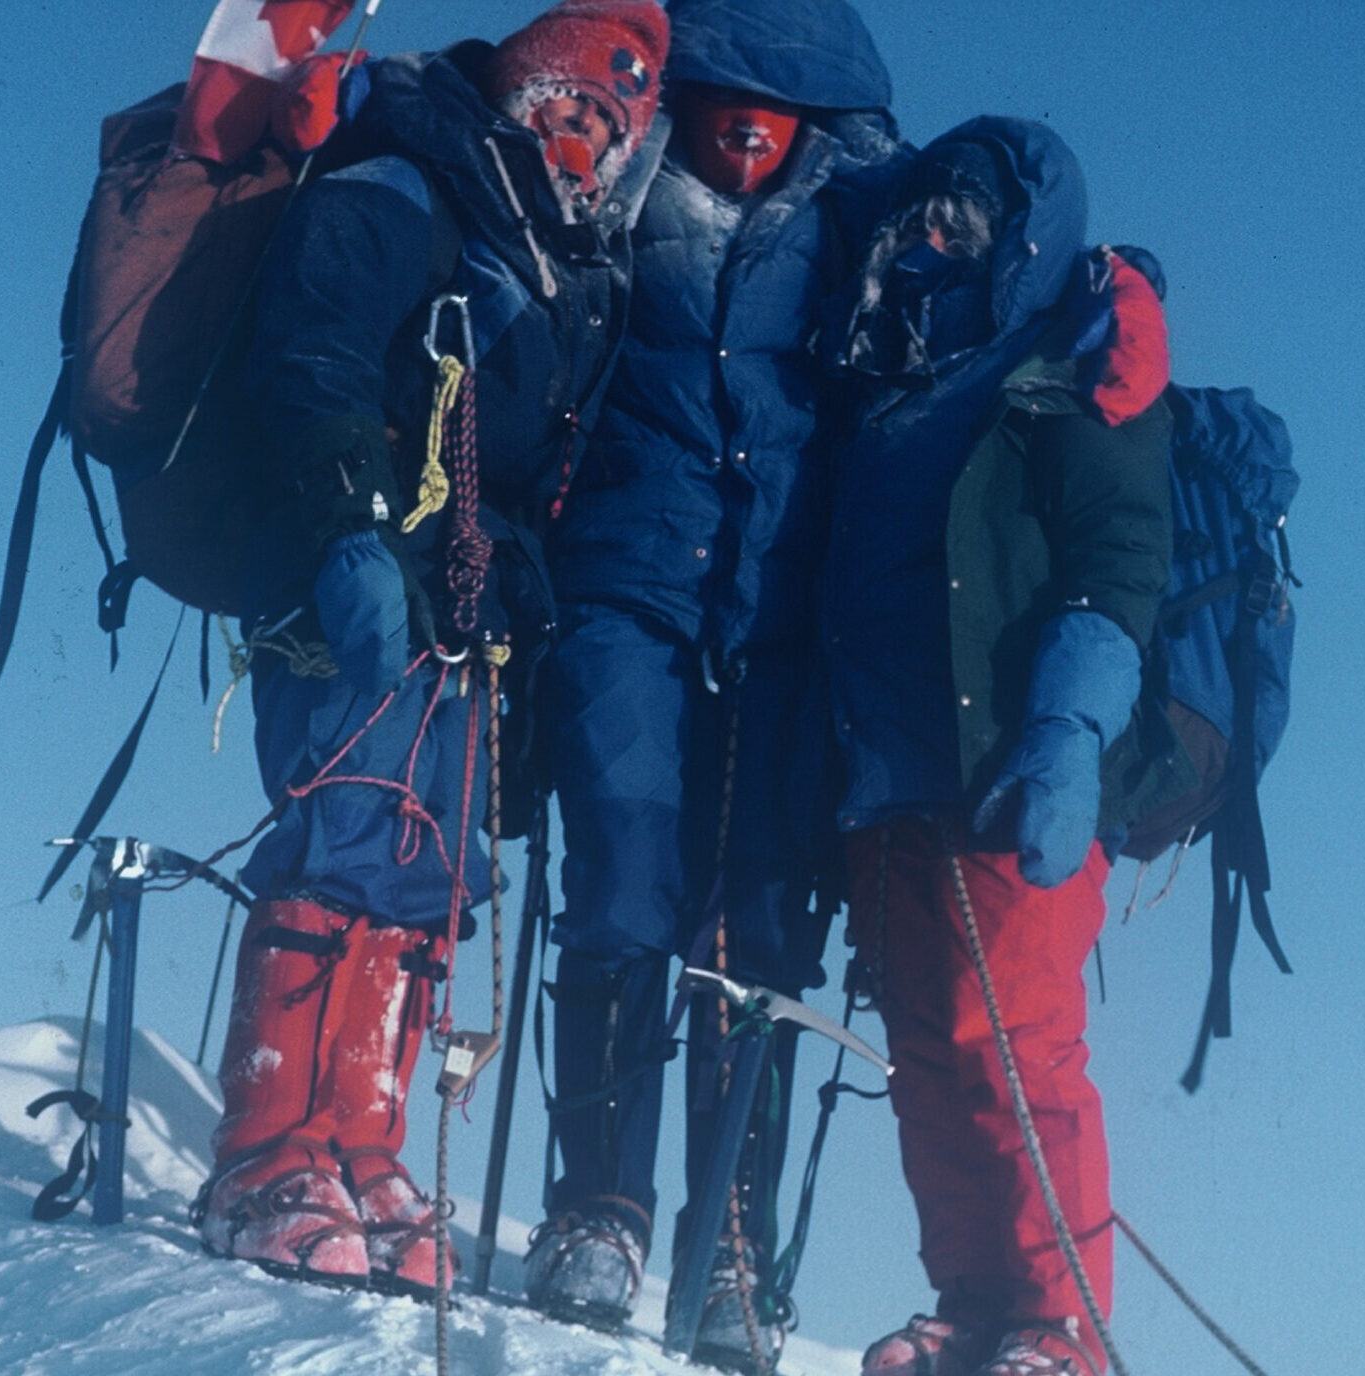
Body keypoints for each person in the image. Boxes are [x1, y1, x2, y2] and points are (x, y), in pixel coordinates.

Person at [195, 0, 670, 1299]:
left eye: (609, 125)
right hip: (350, 574)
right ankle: (267, 1150)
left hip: (461, 607)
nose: (583, 139)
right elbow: (315, 350)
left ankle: (360, 1147)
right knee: (344, 834)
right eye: (568, 103)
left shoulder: (546, 255)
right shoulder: (409, 181)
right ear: (519, 91)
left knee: (428, 870)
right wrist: (346, 532)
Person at [521, 0, 898, 1366]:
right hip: (625, 591)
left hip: (782, 622)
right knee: (622, 876)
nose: (747, 119)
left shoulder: (864, 232)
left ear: (818, 115)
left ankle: (728, 1245)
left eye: (777, 98)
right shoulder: (604, 198)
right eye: (726, 87)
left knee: (757, 930)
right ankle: (598, 1213)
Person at [817, 120, 1174, 1376]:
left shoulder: (1078, 359)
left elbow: (1119, 556)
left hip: (1009, 763)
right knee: (926, 1052)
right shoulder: (882, 366)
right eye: (925, 211)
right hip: (887, 769)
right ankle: (974, 1302)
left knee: (1015, 1039)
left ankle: (1057, 1320)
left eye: (965, 216)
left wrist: (1070, 722)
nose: (935, 232)